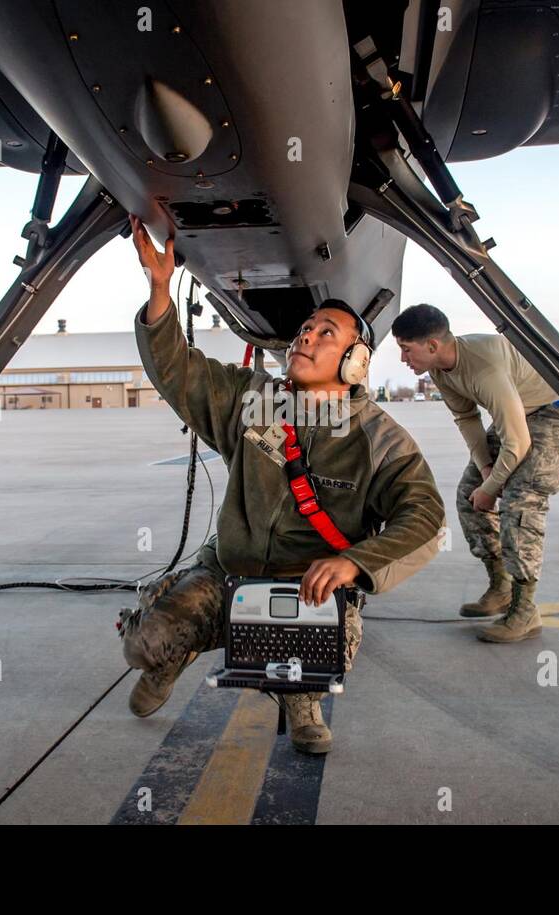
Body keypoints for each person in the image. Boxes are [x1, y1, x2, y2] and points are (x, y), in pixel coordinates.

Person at [121, 216, 444, 754]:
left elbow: (424, 515)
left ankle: (303, 702)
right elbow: (179, 371)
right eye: (305, 330)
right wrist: (160, 295)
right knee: (144, 641)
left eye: (325, 334)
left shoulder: (379, 438)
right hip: (229, 572)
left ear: (354, 362)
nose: (305, 338)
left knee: (327, 642)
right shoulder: (254, 402)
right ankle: (172, 657)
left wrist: (354, 564)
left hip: (307, 587)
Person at [392, 304, 559, 643]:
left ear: (433, 346)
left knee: (521, 499)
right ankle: (500, 586)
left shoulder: (484, 369)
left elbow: (517, 443)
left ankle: (525, 609)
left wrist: (493, 487)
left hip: (557, 413)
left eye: (406, 349)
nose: (403, 359)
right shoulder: (441, 369)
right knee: (468, 495)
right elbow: (467, 419)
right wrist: (484, 472)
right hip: (518, 415)